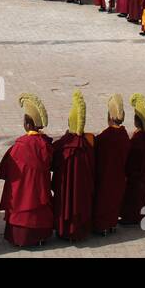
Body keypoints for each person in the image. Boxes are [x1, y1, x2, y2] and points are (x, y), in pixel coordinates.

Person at [0, 92, 55, 248]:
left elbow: (4, 170)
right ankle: (40, 237)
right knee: (39, 209)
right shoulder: (46, 145)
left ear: (28, 125)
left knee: (21, 206)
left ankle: (20, 239)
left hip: (21, 192)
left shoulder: (20, 146)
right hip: (39, 190)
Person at [51, 90, 95, 242]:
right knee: (79, 201)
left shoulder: (65, 143)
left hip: (64, 189)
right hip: (81, 191)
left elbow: (52, 158)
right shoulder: (87, 144)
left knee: (65, 203)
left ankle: (64, 231)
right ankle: (78, 231)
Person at [89, 93, 130, 236]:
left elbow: (96, 151)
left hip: (105, 177)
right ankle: (112, 224)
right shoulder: (124, 135)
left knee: (103, 202)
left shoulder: (105, 137)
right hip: (119, 177)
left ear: (110, 117)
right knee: (114, 201)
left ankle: (102, 227)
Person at [120, 93, 145, 227]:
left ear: (137, 122)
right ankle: (144, 219)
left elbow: (132, 159)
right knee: (143, 198)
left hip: (137, 176)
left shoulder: (138, 139)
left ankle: (133, 218)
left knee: (134, 199)